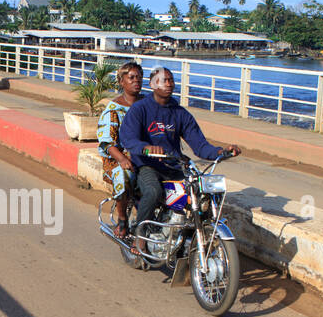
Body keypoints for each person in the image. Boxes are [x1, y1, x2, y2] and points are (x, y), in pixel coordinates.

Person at [118, 66, 240, 260]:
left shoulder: (180, 113)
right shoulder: (140, 109)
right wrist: (147, 148)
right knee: (153, 191)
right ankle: (139, 238)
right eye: (162, 80)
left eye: (170, 80)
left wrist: (221, 151)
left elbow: (200, 146)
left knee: (201, 193)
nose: (168, 84)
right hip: (147, 165)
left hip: (174, 166)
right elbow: (128, 138)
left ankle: (189, 235)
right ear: (152, 84)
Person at [97, 62, 143, 240]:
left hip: (145, 157)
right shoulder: (113, 110)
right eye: (131, 77)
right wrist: (123, 159)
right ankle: (122, 220)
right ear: (121, 82)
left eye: (139, 77)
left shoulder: (148, 103)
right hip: (118, 159)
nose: (136, 81)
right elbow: (107, 143)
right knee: (123, 178)